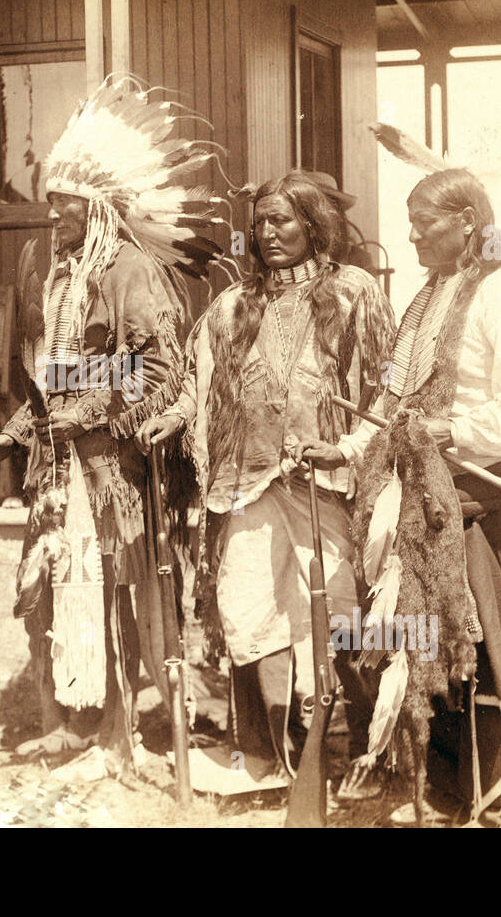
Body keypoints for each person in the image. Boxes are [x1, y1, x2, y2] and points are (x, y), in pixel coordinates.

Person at [0, 75, 223, 775]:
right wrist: (18, 431)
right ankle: (76, 722)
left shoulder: (129, 273)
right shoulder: (54, 276)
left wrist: (82, 413)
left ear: (100, 209)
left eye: (67, 211)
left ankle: (124, 731)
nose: (54, 222)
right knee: (55, 587)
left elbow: (157, 369)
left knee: (124, 590)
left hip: (113, 468)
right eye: (51, 209)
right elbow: (50, 377)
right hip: (57, 469)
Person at [137, 169, 395, 794]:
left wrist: (349, 449)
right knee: (249, 610)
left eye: (283, 220)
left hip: (327, 483)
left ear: (314, 224)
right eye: (260, 223)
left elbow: (390, 387)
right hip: (246, 481)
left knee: (339, 610)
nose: (268, 232)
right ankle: (263, 755)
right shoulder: (233, 306)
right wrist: (174, 416)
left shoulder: (355, 293)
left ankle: (364, 750)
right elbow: (204, 385)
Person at [379, 168, 501, 826]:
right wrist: (350, 450)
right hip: (430, 507)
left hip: (491, 505)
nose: (409, 236)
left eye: (421, 223)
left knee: (496, 650)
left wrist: (452, 429)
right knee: (438, 649)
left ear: (465, 222)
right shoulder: (426, 300)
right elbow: (394, 401)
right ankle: (454, 791)